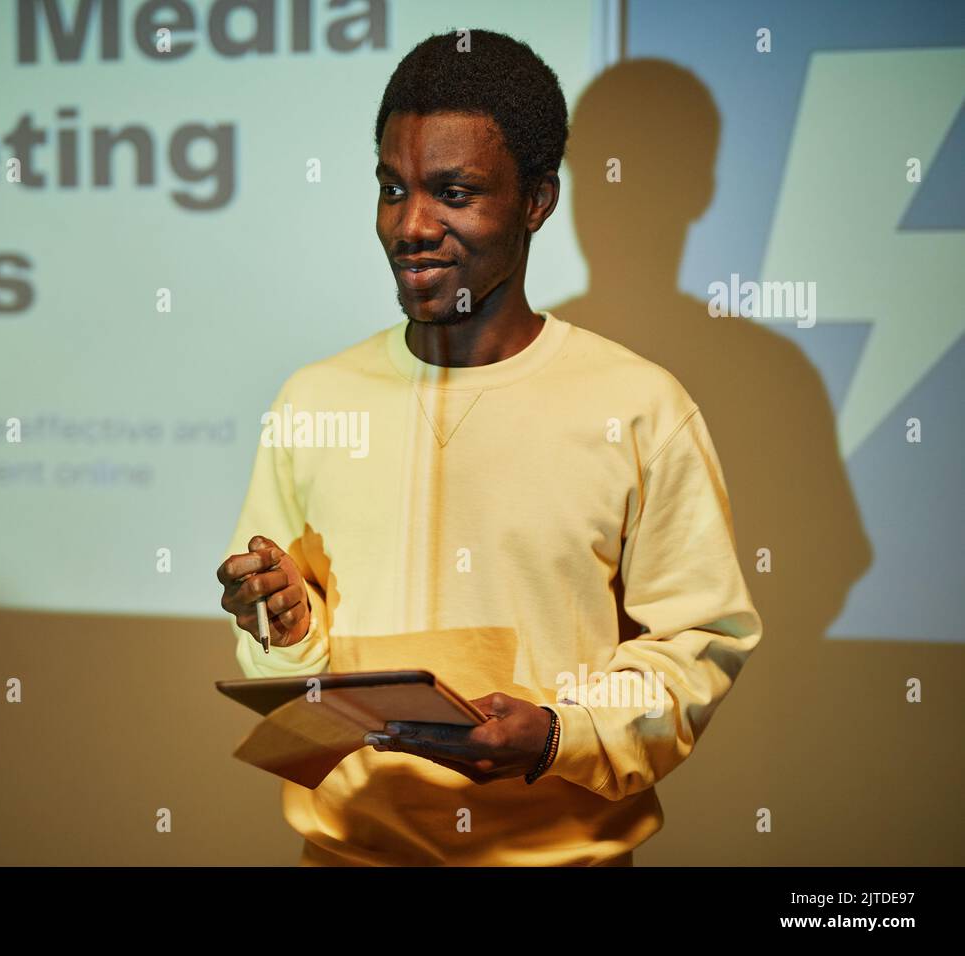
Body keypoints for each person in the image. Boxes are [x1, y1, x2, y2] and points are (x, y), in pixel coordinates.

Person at [216, 29, 762, 866]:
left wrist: (555, 737)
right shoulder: (313, 399)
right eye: (392, 189)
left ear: (538, 201)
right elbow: (286, 663)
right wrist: (284, 627)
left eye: (454, 193)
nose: (412, 226)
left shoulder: (639, 406)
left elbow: (696, 651)